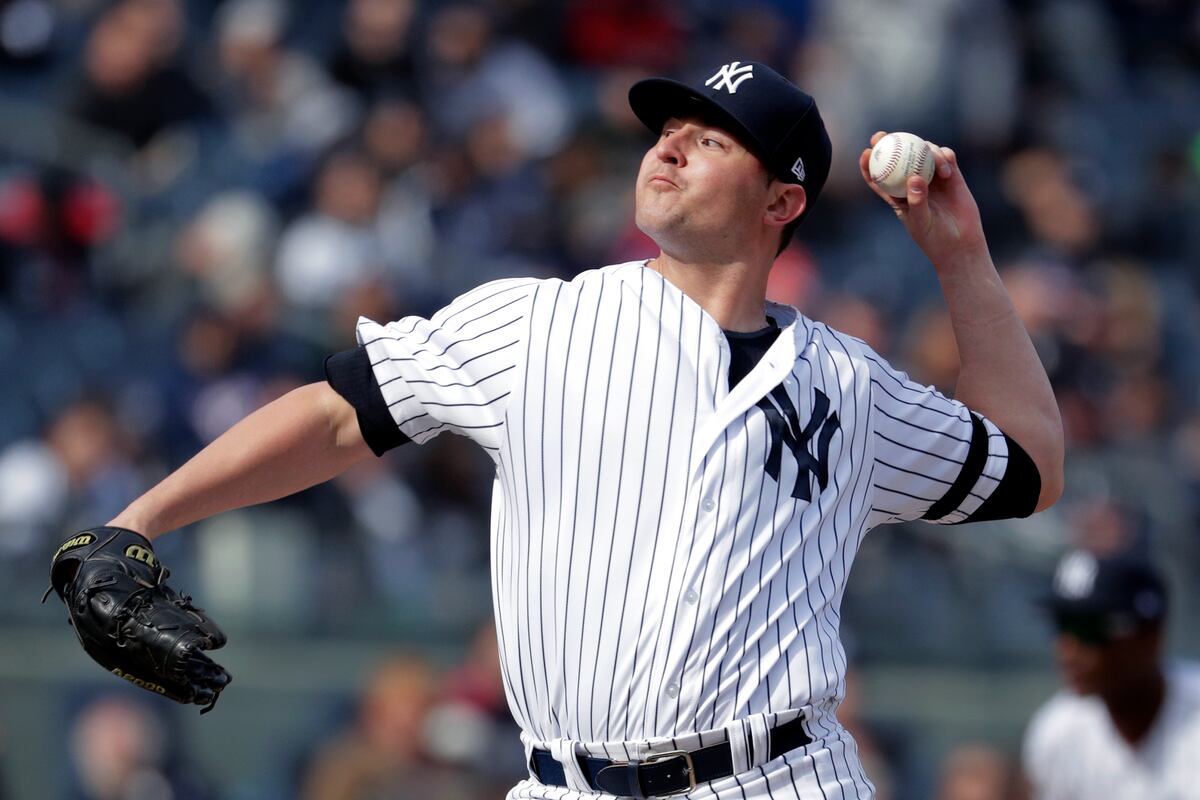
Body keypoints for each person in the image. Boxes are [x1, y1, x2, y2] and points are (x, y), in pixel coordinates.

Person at [66, 61, 1063, 798]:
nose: (667, 144)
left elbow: (1029, 464)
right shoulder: (535, 322)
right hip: (563, 783)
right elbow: (336, 414)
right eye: (666, 127)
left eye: (711, 138)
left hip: (777, 777)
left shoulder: (853, 386)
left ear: (782, 200)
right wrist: (138, 518)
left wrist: (962, 254)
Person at [1021, 548, 1200, 799]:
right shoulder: (1057, 732)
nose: (1068, 650)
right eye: (1062, 624)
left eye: (1088, 628)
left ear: (1149, 635)